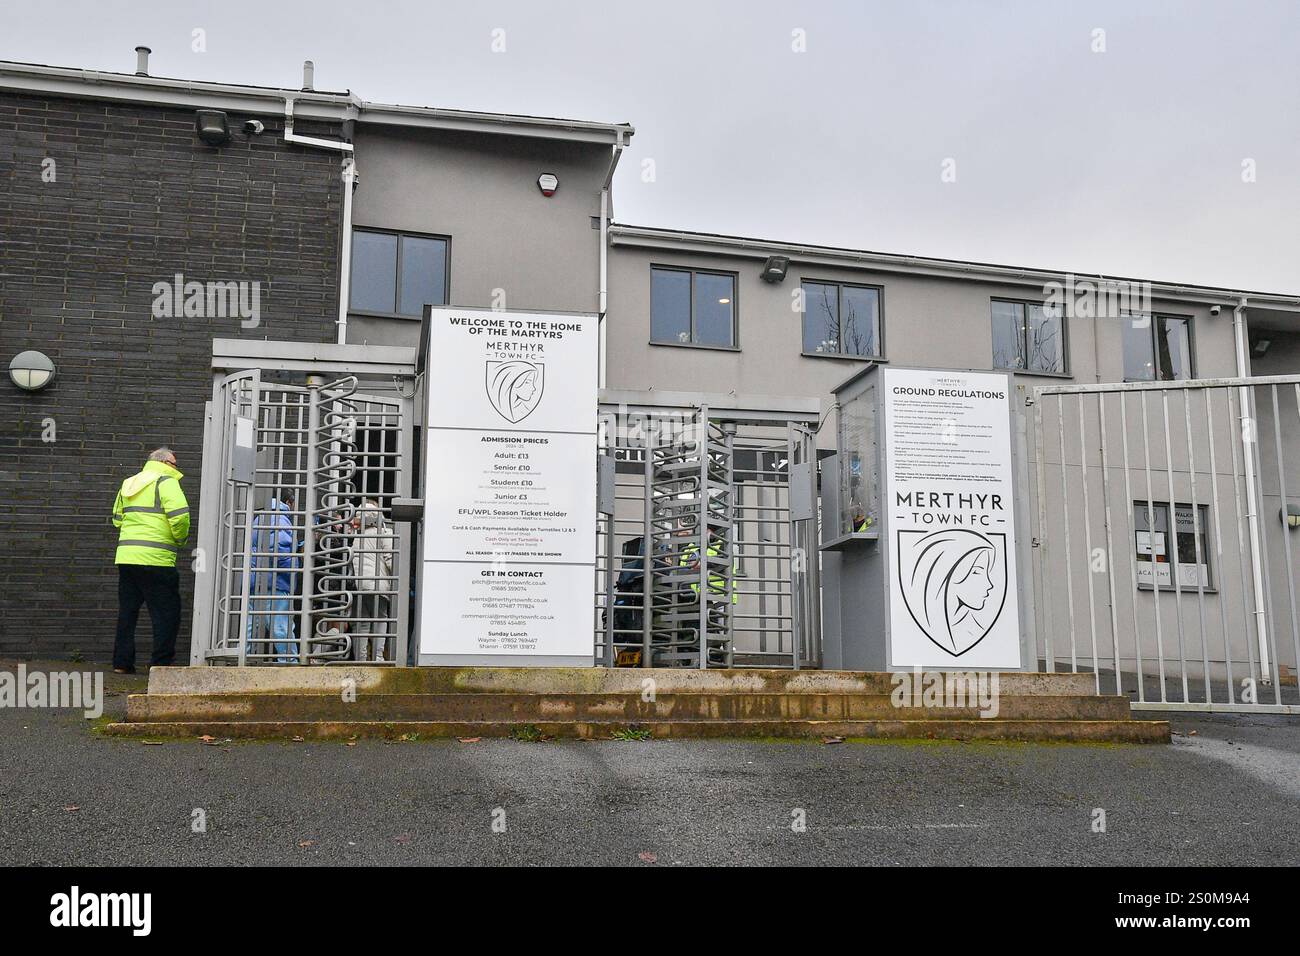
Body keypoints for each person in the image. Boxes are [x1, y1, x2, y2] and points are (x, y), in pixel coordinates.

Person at [111, 447, 190, 674]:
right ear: (164, 462)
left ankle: (122, 663)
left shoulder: (129, 482)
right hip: (157, 560)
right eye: (174, 463)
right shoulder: (166, 482)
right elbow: (180, 516)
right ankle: (161, 663)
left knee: (128, 612)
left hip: (127, 558)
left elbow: (117, 518)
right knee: (166, 613)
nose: (176, 468)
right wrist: (180, 539)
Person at [247, 493, 300, 663]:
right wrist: (291, 570)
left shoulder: (259, 517)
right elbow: (279, 549)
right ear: (288, 502)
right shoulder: (280, 518)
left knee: (251, 626)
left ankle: (245, 660)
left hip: (255, 581)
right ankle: (289, 664)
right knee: (281, 626)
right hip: (276, 581)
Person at [349, 499, 393, 662]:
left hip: (360, 585)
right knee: (380, 620)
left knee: (362, 623)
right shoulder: (384, 533)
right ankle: (377, 657)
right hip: (378, 585)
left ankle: (360, 659)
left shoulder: (356, 538)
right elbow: (391, 560)